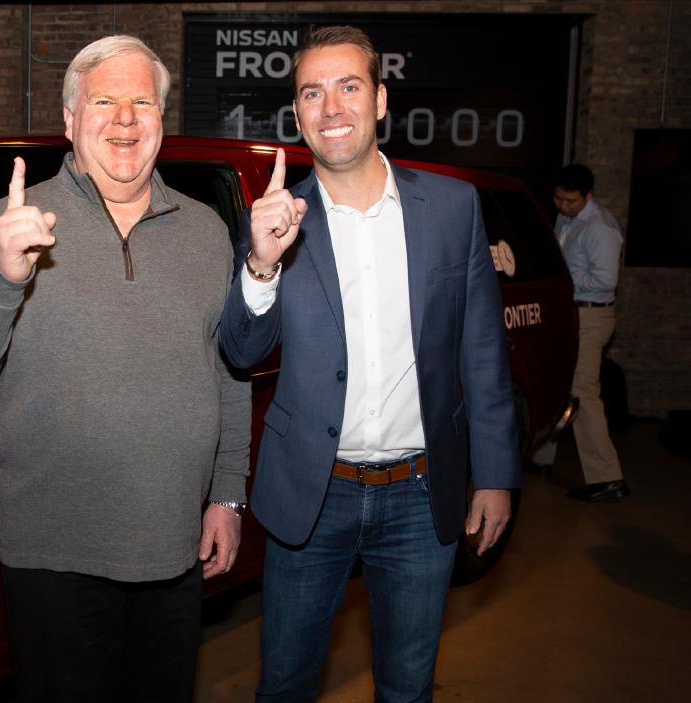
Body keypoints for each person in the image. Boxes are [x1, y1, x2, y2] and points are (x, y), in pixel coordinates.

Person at [0, 35, 250, 703]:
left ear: (163, 119)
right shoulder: (12, 224)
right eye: (103, 100)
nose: (125, 119)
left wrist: (227, 493)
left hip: (171, 546)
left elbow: (228, 371)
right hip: (53, 558)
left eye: (142, 102)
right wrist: (5, 278)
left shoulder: (206, 231)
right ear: (70, 120)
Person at [218, 25, 520, 702]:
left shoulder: (449, 209)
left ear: (381, 100)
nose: (332, 108)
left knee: (408, 686)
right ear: (298, 112)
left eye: (349, 87)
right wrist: (261, 262)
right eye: (313, 93)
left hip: (420, 494)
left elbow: (481, 351)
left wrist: (496, 474)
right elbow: (239, 351)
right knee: (286, 681)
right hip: (312, 495)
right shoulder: (276, 216)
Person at [533, 164, 627, 502]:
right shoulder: (568, 217)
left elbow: (606, 281)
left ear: (587, 196)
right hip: (571, 311)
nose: (562, 206)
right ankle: (542, 456)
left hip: (592, 316)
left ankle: (607, 477)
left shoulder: (600, 228)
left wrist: (565, 279)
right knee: (558, 383)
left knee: (582, 392)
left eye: (570, 201)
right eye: (558, 199)